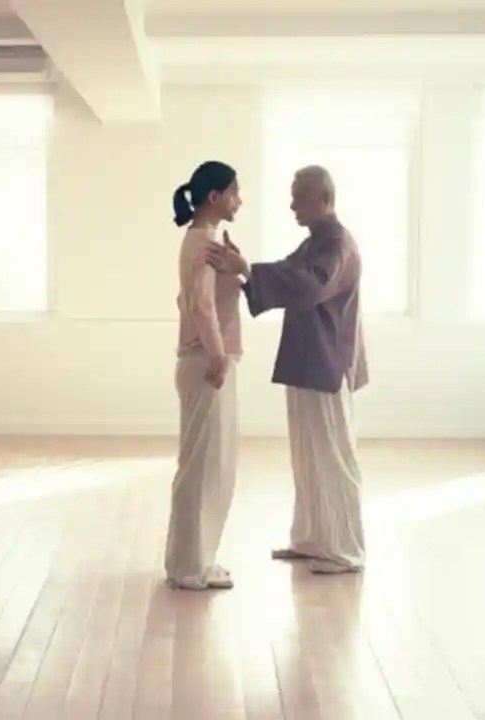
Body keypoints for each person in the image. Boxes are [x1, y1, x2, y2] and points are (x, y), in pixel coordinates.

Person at [205, 165, 368, 575]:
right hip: (307, 359)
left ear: (324, 199)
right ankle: (312, 539)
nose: (292, 205)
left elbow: (309, 286)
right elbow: (287, 270)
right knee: (308, 455)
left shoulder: (337, 244)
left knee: (333, 457)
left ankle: (346, 551)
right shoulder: (316, 241)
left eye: (300, 197)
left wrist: (246, 268)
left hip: (328, 362)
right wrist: (242, 269)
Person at [165, 160, 244, 591]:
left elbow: (190, 300)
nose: (239, 201)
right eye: (234, 192)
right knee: (204, 466)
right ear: (215, 197)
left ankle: (189, 561)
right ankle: (191, 567)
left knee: (201, 463)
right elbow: (200, 303)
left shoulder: (199, 238)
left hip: (200, 360)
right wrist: (216, 353)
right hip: (205, 362)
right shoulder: (206, 242)